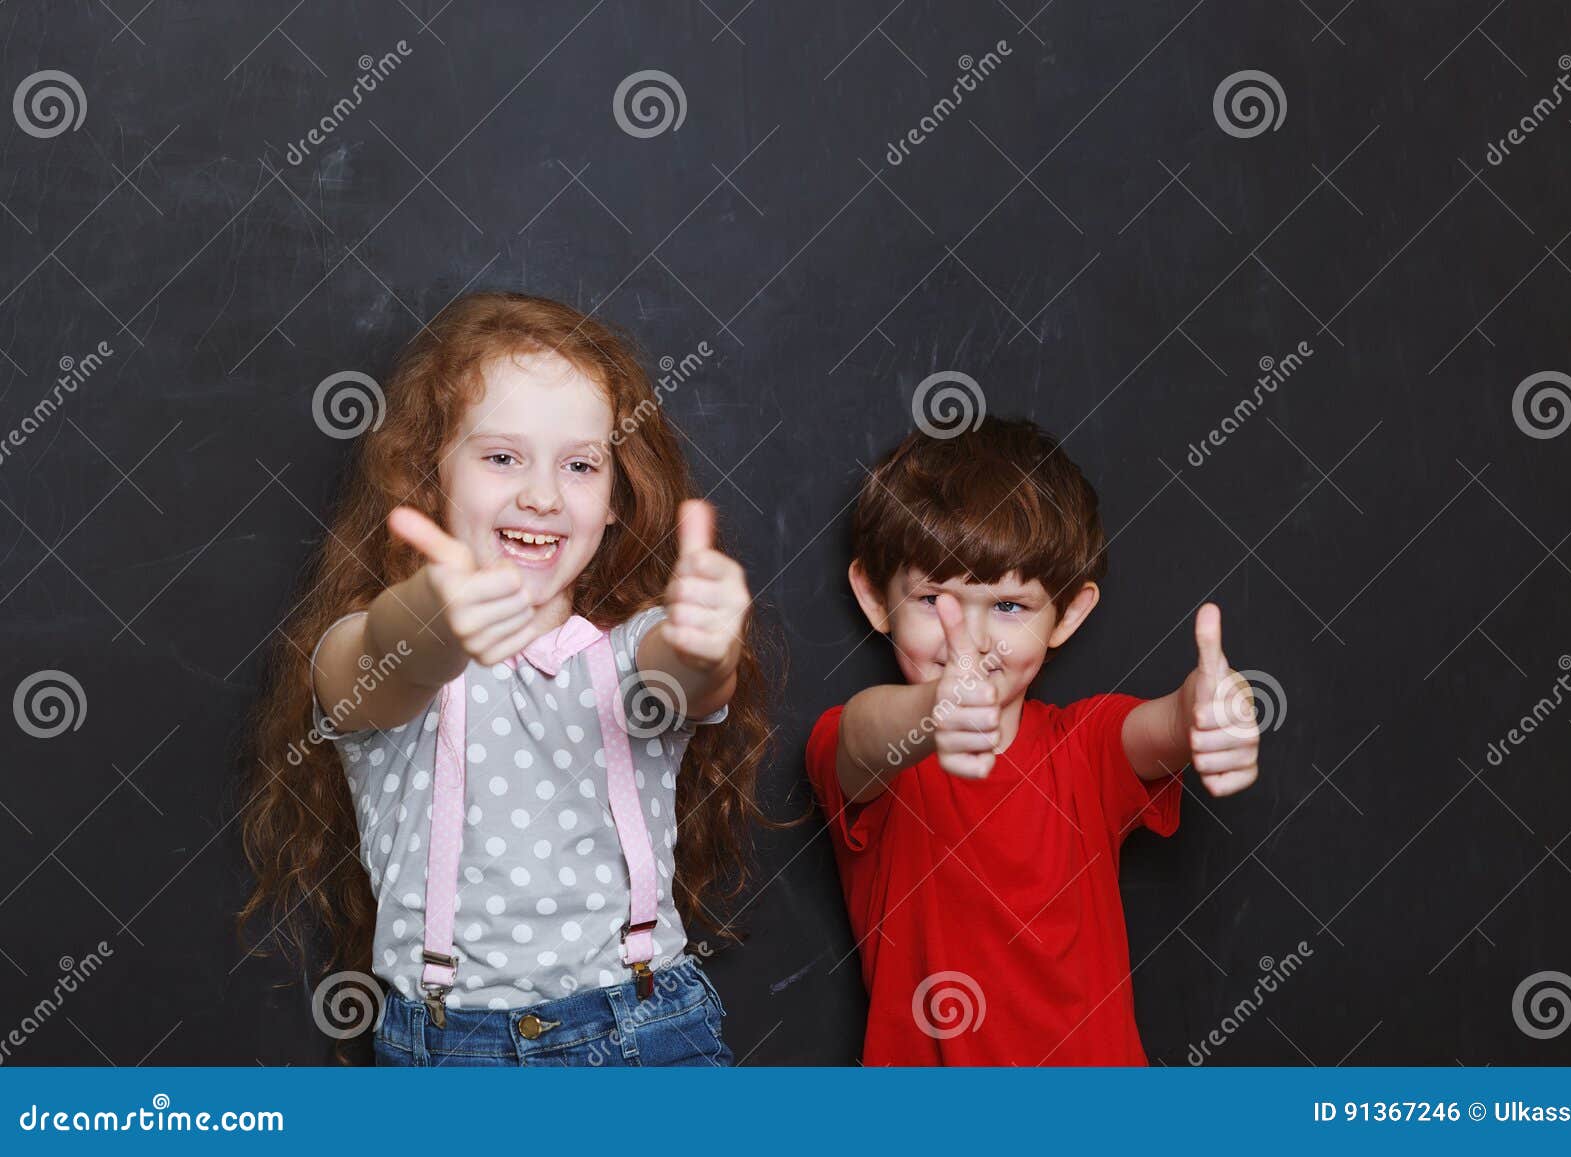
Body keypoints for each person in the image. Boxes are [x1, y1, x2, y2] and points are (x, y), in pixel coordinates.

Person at [239, 292, 773, 1066]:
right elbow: (375, 658)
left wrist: (706, 640)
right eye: (501, 456)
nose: (542, 495)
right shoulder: (378, 656)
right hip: (455, 1056)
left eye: (581, 465)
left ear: (618, 498)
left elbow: (689, 672)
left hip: (649, 1036)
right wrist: (430, 618)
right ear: (428, 475)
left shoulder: (632, 652)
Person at [805, 416, 1262, 1065]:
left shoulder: (1084, 748)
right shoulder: (865, 746)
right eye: (936, 598)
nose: (975, 639)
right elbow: (863, 736)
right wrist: (936, 708)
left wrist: (1208, 709)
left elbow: (1163, 726)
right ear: (876, 599)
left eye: (1010, 606)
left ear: (1068, 614)